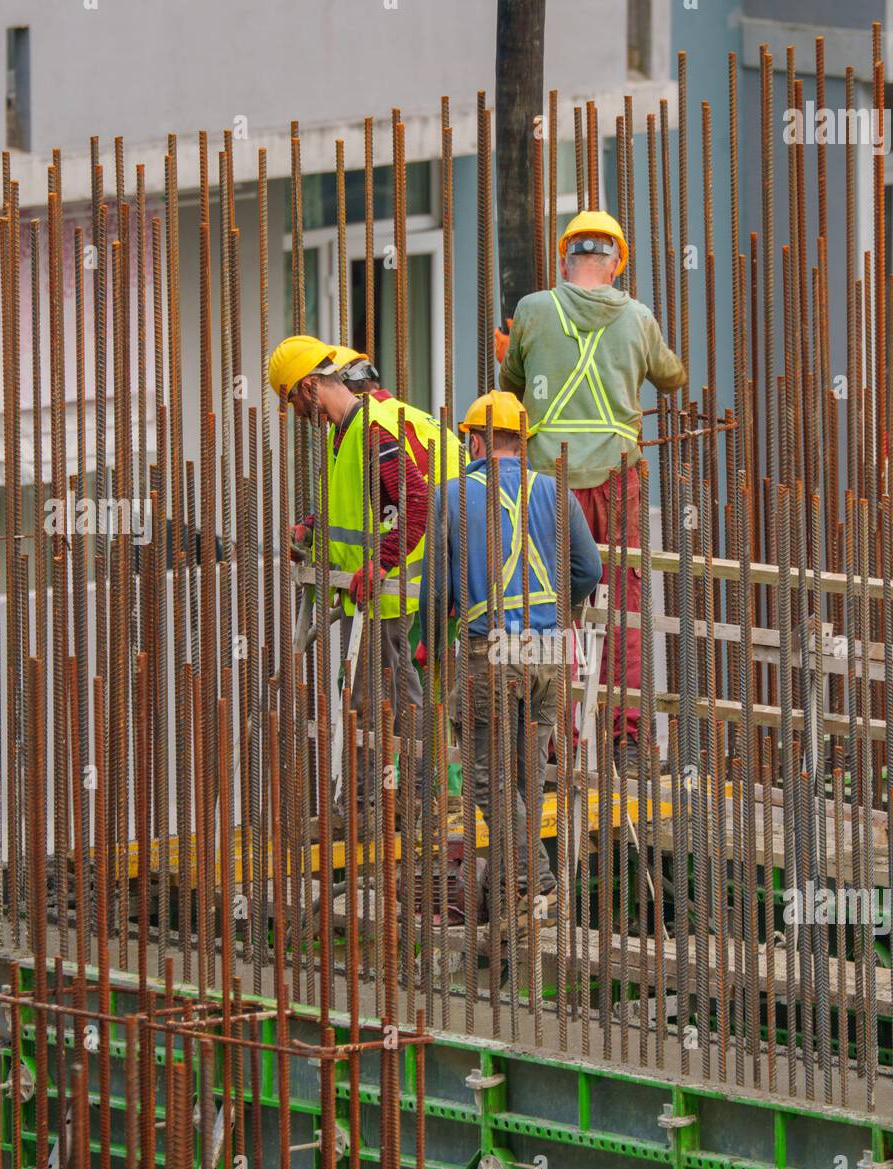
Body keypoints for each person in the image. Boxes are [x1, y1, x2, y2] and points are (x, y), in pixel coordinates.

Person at [499, 210, 685, 775]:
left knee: (549, 604)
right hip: (617, 475)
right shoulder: (637, 315)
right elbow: (672, 377)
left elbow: (508, 386)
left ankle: (550, 741)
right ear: (616, 263)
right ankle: (628, 744)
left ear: (565, 259)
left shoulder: (533, 310)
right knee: (623, 602)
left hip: (546, 483)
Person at [420, 389, 601, 917]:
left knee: (487, 780)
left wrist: (432, 634)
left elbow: (434, 594)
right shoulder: (556, 492)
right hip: (549, 653)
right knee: (522, 776)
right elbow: (588, 570)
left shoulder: (449, 495)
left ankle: (534, 879)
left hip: (490, 654)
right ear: (523, 440)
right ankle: (515, 888)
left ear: (476, 439)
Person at [267, 334, 463, 739]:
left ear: (308, 386)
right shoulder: (345, 431)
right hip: (374, 586)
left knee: (380, 700)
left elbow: (418, 502)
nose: (298, 413)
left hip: (389, 585)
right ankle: (401, 791)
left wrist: (382, 562)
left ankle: (385, 795)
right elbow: (356, 504)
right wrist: (312, 526)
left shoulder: (372, 429)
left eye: (294, 402)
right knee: (384, 693)